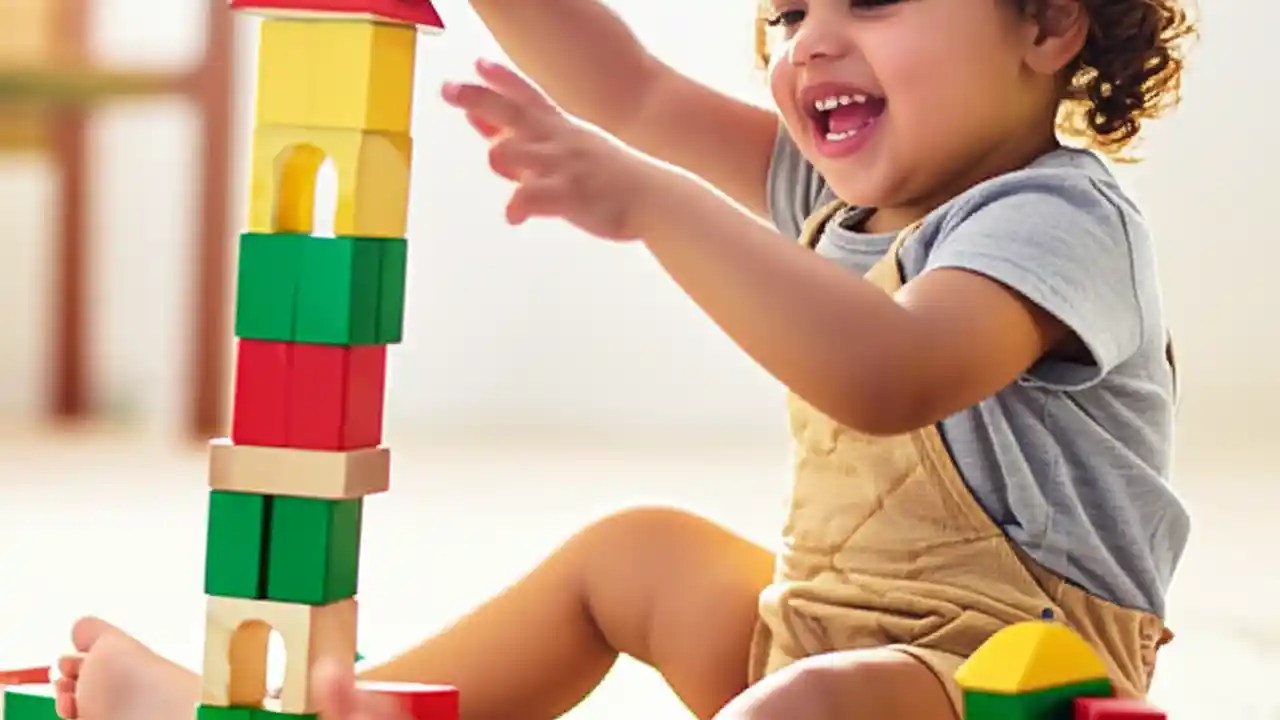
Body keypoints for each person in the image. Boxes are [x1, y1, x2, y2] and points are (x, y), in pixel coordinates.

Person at [52, 0, 1197, 719]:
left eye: (870, 0)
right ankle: (342, 710)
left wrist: (651, 205)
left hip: (1006, 670)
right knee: (631, 555)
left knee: (819, 699)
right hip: (814, 625)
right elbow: (629, 89)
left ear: (1048, 23)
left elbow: (889, 372)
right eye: (791, 12)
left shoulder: (1057, 217)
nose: (812, 43)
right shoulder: (833, 197)